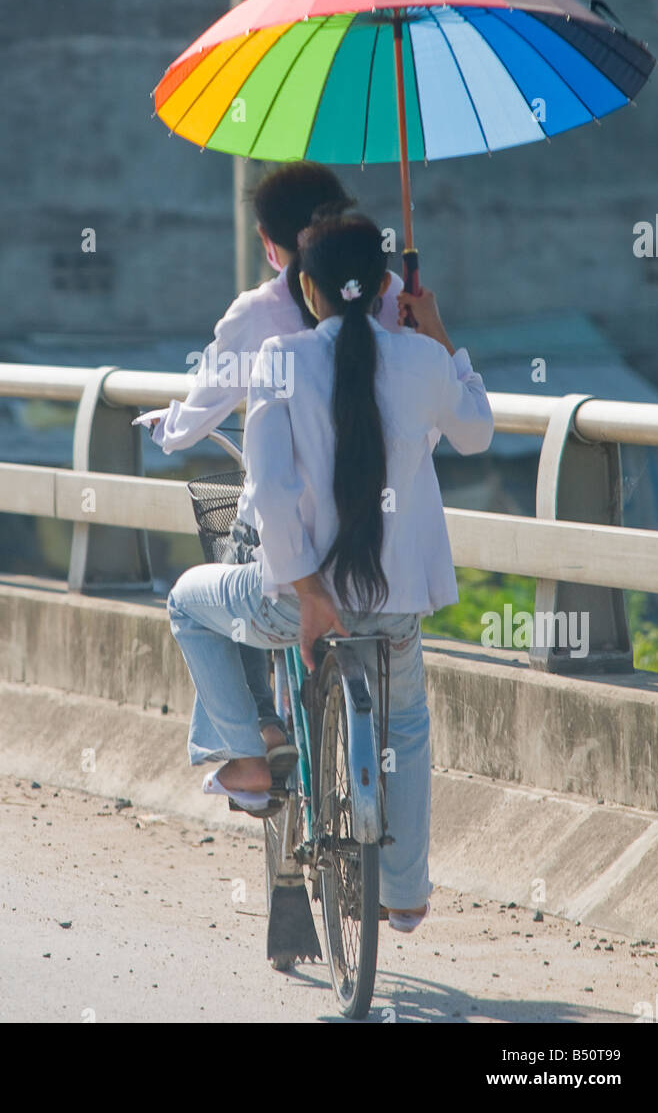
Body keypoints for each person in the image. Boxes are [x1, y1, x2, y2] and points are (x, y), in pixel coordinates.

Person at [167, 213, 494, 931]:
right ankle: (404, 894)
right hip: (393, 606)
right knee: (403, 724)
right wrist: (436, 331)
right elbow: (475, 431)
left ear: (306, 288)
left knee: (188, 603)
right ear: (385, 285)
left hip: (293, 603)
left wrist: (311, 594)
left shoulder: (279, 361)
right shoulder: (420, 359)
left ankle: (250, 759)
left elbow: (271, 493)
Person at [137, 162, 403, 757]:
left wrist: (169, 429)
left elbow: (206, 404)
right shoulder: (387, 301)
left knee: (216, 580)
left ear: (268, 240)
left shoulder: (263, 323)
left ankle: (259, 738)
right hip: (387, 547)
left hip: (292, 563)